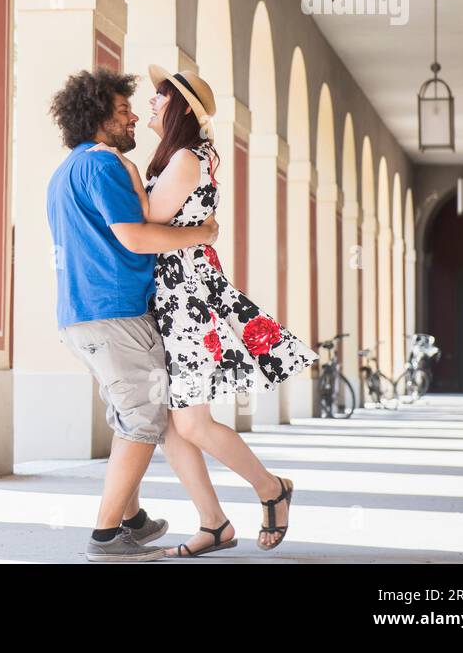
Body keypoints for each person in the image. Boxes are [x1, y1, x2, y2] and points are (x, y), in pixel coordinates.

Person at [93, 65, 318, 556]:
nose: (150, 104)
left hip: (186, 300)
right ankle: (214, 524)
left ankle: (271, 489)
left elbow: (147, 219)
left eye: (160, 97)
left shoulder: (185, 159)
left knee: (190, 423)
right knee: (176, 424)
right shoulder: (183, 157)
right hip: (177, 296)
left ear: (179, 109)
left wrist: (125, 169)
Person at [46, 68, 218, 562]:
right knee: (143, 417)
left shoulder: (68, 170)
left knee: (132, 410)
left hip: (80, 316)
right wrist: (200, 235)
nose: (135, 120)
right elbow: (135, 237)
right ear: (98, 116)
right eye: (124, 111)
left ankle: (133, 518)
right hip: (115, 312)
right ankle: (106, 538)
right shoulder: (105, 166)